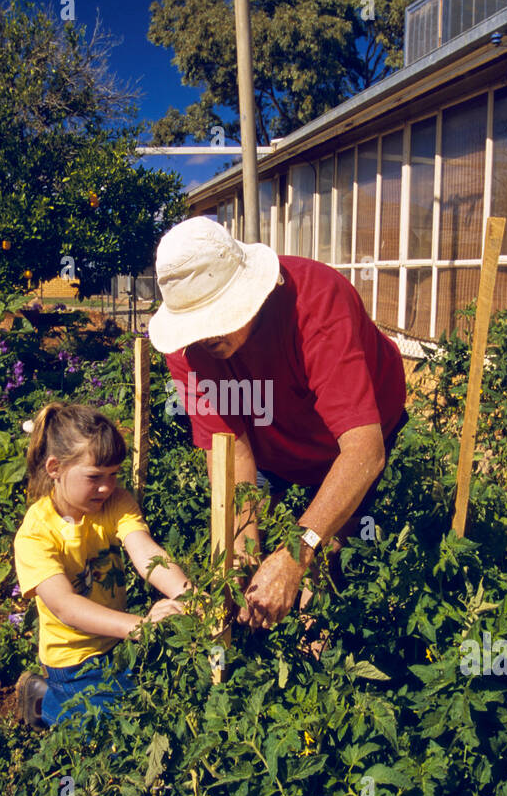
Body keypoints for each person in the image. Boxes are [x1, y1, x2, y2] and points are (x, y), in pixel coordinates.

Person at [148, 217, 408, 631]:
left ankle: (329, 654)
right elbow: (230, 451)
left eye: (215, 319)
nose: (205, 338)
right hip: (274, 444)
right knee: (249, 570)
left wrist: (297, 555)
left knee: (327, 581)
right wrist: (243, 549)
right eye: (195, 326)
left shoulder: (317, 302)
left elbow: (364, 450)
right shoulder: (189, 349)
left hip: (352, 442)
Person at [13, 402, 192, 729]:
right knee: (118, 732)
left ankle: (55, 699)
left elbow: (147, 554)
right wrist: (142, 627)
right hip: (73, 660)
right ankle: (45, 701)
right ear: (55, 468)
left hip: (117, 642)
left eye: (113, 475)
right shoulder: (35, 535)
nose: (107, 487)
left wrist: (188, 596)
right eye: (95, 477)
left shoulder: (114, 503)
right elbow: (66, 607)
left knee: (159, 701)